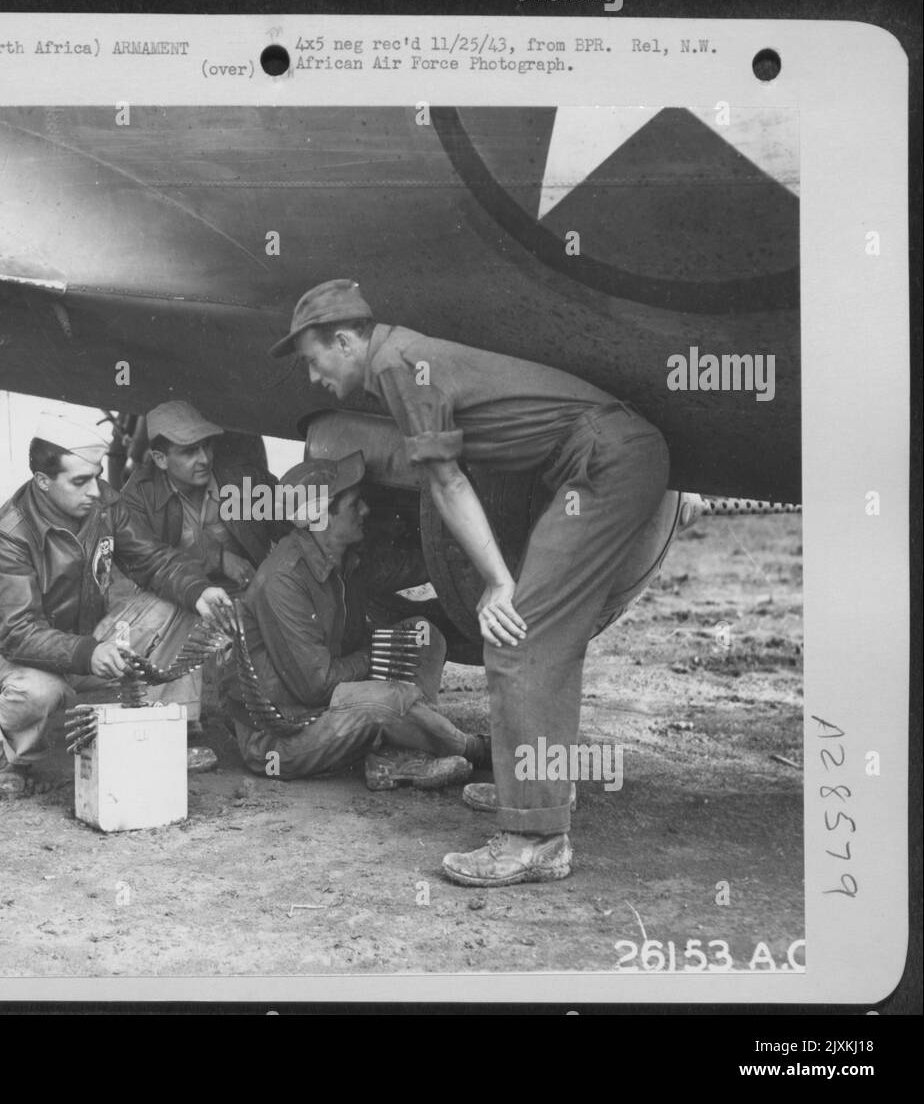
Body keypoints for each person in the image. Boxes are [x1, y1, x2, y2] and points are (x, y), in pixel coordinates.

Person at [272, 279, 670, 885]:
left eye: (312, 359)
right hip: (605, 458)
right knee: (536, 638)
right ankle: (534, 798)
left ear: (345, 340)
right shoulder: (401, 360)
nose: (312, 377)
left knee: (519, 637)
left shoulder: (402, 367)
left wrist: (496, 581)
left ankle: (534, 839)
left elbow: (448, 484)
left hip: (607, 464)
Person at [0, 413, 235, 798]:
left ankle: (167, 734)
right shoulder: (8, 535)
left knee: (182, 603)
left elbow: (152, 560)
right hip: (14, 660)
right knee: (36, 691)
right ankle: (11, 763)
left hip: (89, 643)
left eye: (96, 475)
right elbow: (16, 634)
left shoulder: (102, 502)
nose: (96, 490)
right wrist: (89, 652)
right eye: (80, 481)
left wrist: (199, 590)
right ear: (43, 482)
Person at [228, 451, 488, 789]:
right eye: (354, 505)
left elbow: (406, 571)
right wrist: (371, 659)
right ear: (322, 517)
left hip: (327, 702)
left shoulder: (340, 559)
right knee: (388, 698)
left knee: (424, 635)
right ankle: (475, 749)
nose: (365, 510)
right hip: (286, 734)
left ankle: (399, 752)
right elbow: (315, 686)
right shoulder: (282, 580)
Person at [118, 400, 288, 735]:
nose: (205, 459)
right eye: (189, 451)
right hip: (177, 596)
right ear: (160, 459)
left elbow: (291, 529)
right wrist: (217, 558)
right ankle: (177, 724)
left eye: (206, 446)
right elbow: (148, 560)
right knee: (164, 621)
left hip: (244, 594)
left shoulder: (242, 481)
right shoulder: (137, 497)